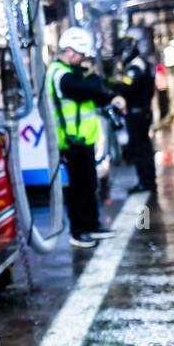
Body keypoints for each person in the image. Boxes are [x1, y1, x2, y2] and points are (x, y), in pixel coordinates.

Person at [46, 27, 124, 249]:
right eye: (80, 54)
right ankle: (78, 232)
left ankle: (92, 226)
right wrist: (95, 80)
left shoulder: (73, 72)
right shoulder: (59, 73)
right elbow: (86, 89)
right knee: (79, 188)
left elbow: (95, 92)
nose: (82, 59)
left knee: (89, 184)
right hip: (71, 141)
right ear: (69, 50)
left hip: (84, 139)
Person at [114, 30, 158, 194]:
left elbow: (128, 86)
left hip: (138, 113)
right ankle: (147, 181)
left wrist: (114, 84)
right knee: (143, 148)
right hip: (140, 112)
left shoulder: (136, 66)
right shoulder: (139, 63)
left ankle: (146, 182)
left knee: (140, 149)